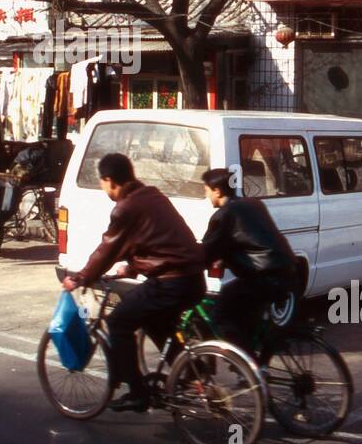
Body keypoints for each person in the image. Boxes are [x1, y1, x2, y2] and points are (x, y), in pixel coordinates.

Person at [60, 153, 206, 413]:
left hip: (170, 283)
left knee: (118, 323)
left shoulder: (126, 208)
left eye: (102, 182)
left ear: (109, 180)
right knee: (154, 321)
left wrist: (80, 277)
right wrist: (132, 267)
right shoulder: (152, 196)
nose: (103, 188)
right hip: (192, 279)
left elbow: (107, 249)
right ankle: (193, 372)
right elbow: (159, 243)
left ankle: (138, 394)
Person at [199, 168, 298, 356]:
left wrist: (186, 264)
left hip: (264, 278)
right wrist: (225, 259)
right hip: (288, 272)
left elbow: (206, 251)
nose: (207, 195)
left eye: (206, 190)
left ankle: (245, 364)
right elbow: (252, 242)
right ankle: (257, 364)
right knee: (245, 317)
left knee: (220, 315)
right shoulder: (253, 204)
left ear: (217, 191)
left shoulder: (224, 215)